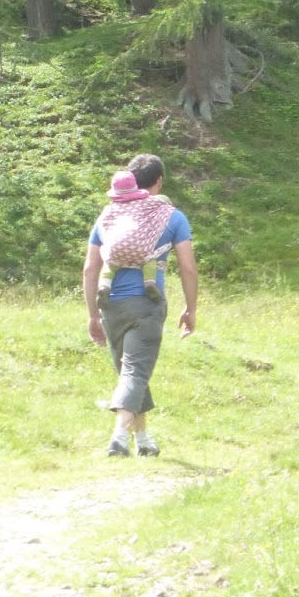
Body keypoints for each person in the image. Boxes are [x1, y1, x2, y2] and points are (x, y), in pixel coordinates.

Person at [83, 153, 198, 457]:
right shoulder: (172, 216)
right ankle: (119, 438)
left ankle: (144, 440)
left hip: (110, 307)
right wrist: (191, 308)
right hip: (147, 305)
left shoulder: (108, 215)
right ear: (159, 181)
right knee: (135, 371)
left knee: (131, 371)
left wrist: (93, 314)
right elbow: (188, 267)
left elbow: (90, 268)